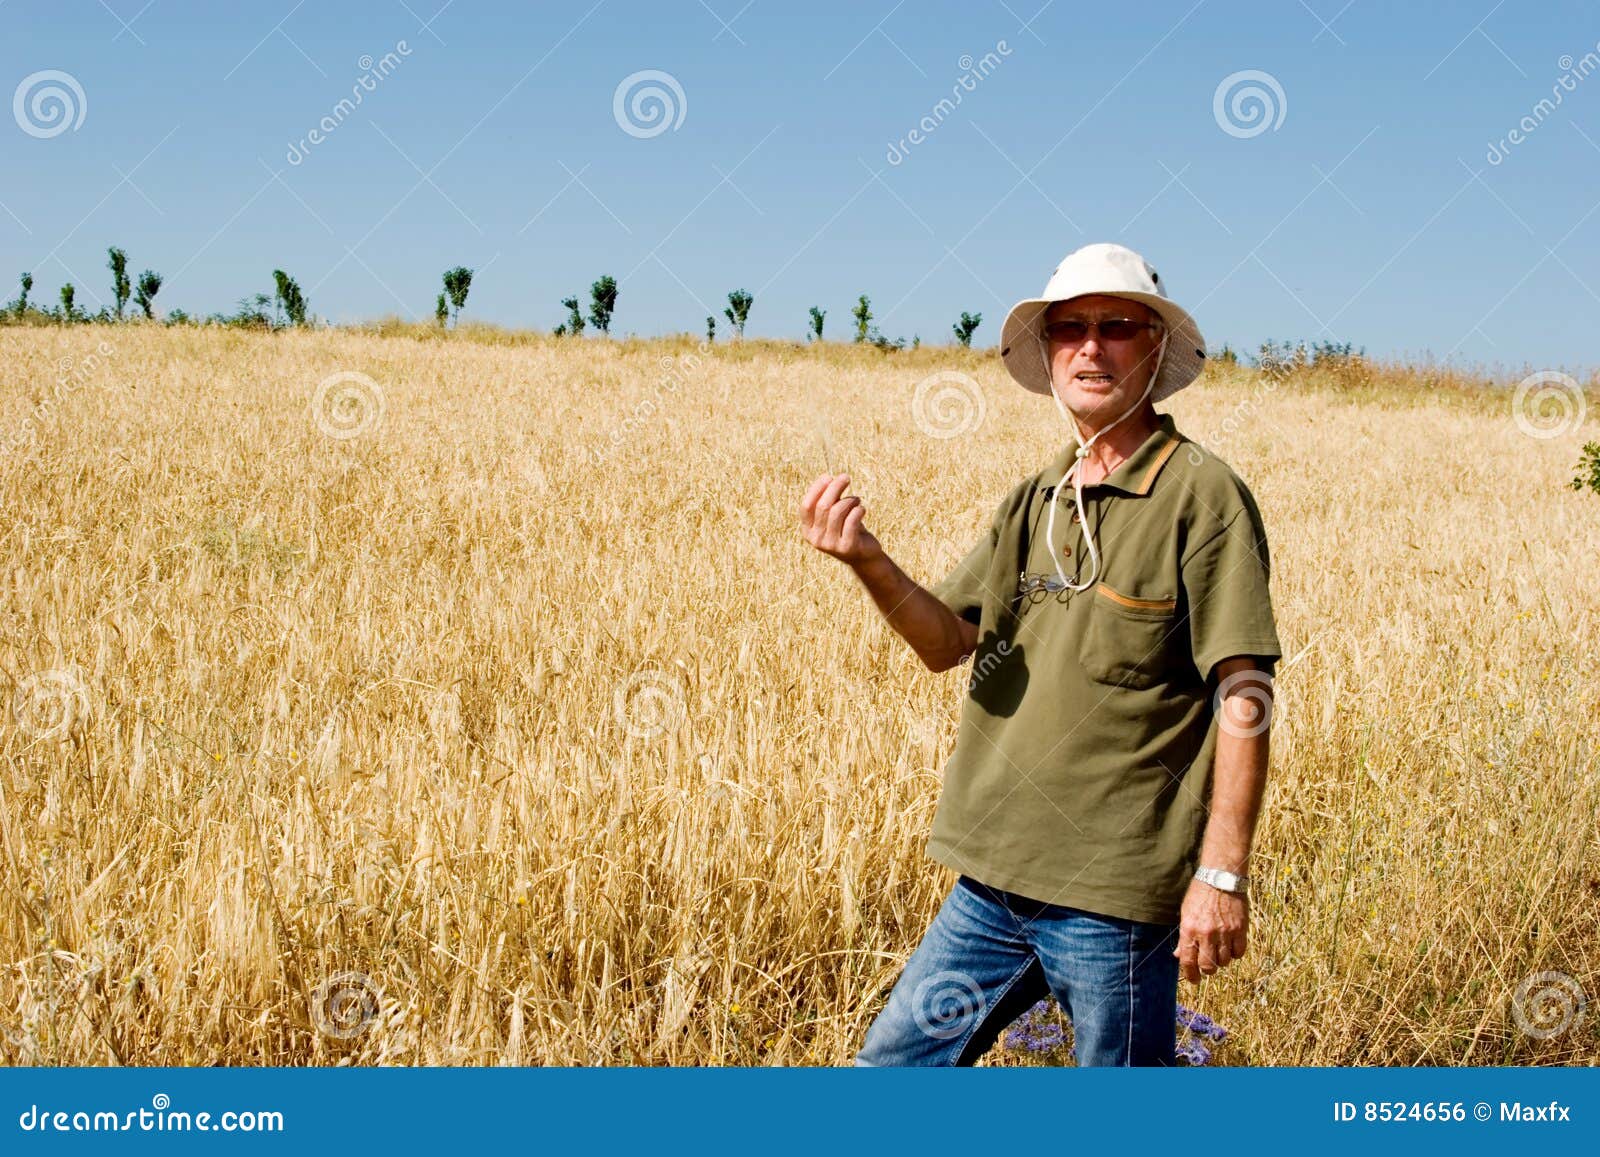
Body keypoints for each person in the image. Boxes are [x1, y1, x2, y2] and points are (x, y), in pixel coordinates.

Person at [798, 242, 1282, 1066]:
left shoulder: (1202, 496)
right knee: (889, 1070)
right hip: (992, 880)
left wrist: (1223, 876)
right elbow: (947, 642)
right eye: (1070, 328)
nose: (1091, 347)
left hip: (1113, 899)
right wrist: (869, 560)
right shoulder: (1035, 499)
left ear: (1155, 347)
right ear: (1049, 352)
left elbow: (1245, 691)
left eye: (1117, 326)